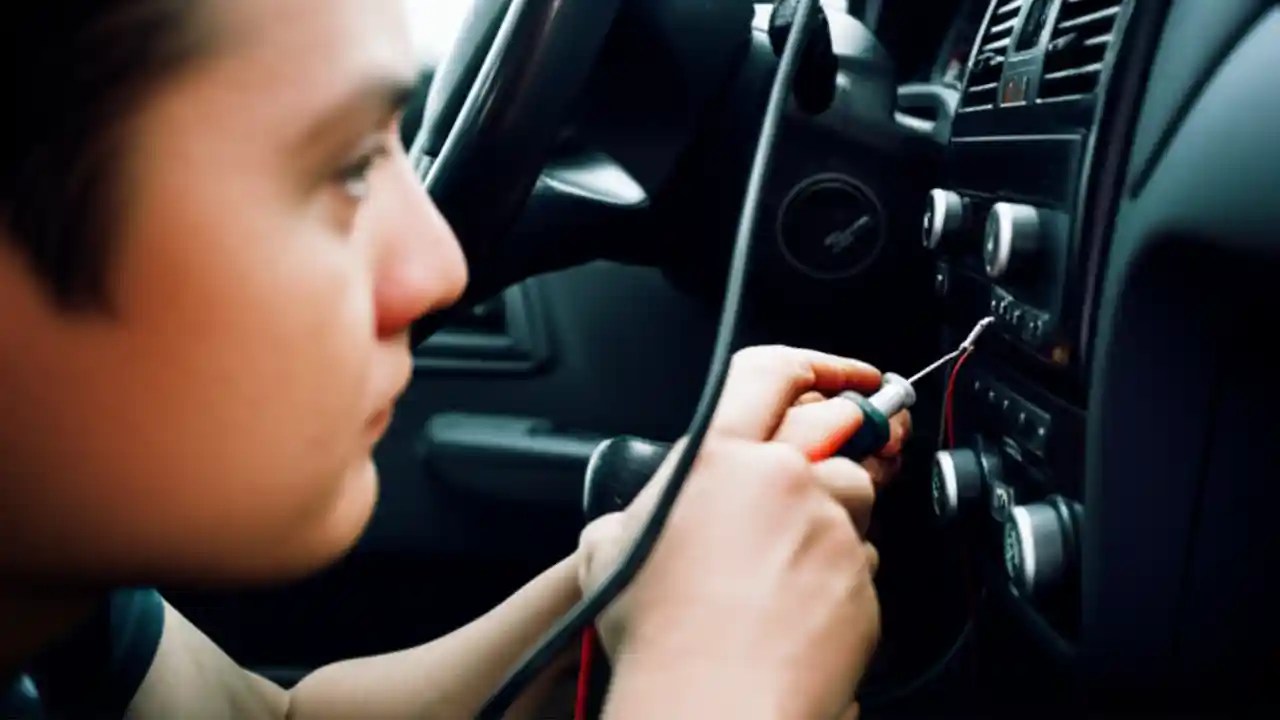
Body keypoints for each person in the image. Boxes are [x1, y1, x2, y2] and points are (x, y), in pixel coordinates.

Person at [0, 1, 911, 718]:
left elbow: (268, 718)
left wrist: (629, 571)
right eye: (345, 170)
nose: (439, 272)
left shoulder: (55, 598)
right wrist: (718, 697)